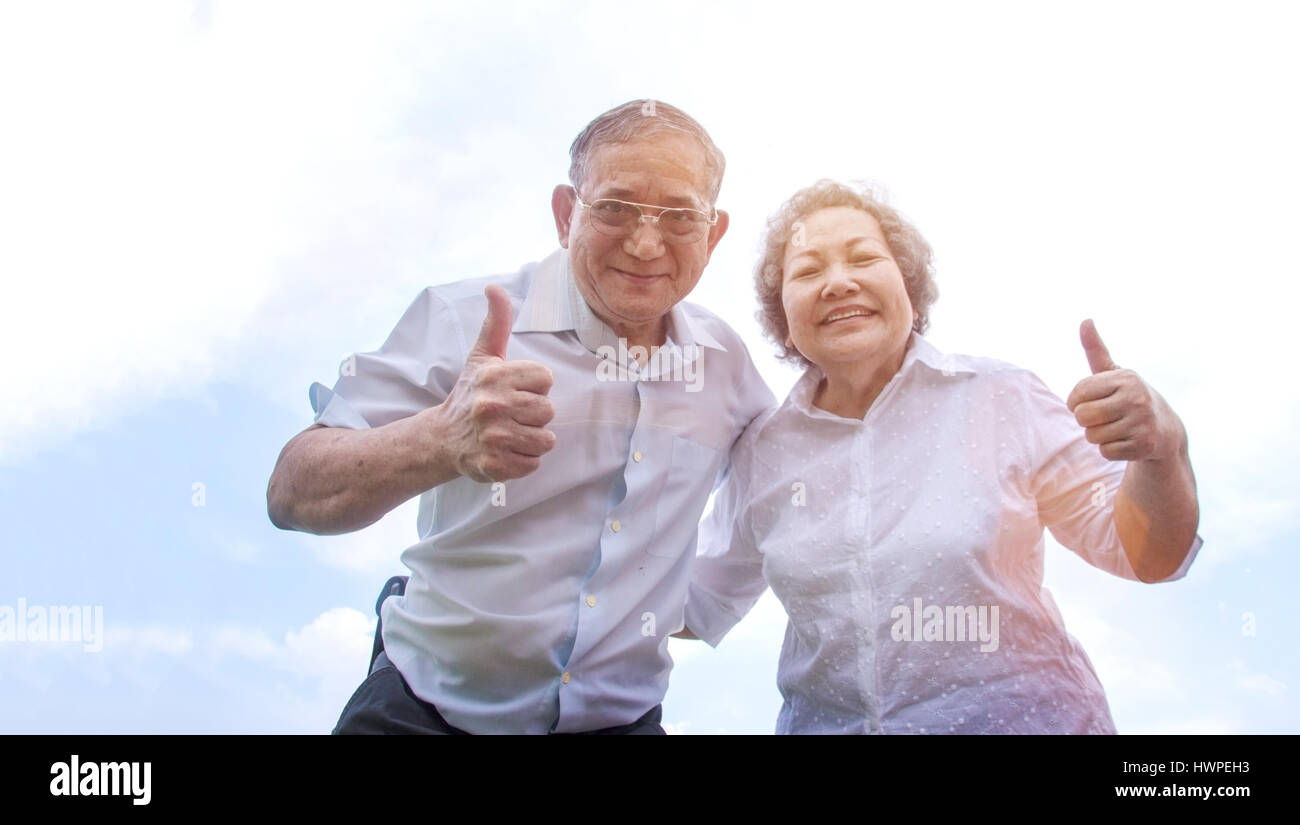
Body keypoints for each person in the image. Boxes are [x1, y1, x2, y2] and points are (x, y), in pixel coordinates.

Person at [266, 100, 775, 734]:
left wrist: (693, 604)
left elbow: (784, 487)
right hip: (422, 712)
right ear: (567, 214)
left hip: (620, 722)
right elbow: (293, 492)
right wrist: (439, 440)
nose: (647, 244)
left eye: (678, 216)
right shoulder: (461, 318)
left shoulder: (726, 365)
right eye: (614, 208)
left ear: (714, 232)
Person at [684, 180, 1202, 734]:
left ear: (908, 284)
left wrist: (1162, 452)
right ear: (781, 314)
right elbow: (695, 604)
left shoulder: (1003, 396)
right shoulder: (764, 451)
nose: (838, 282)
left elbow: (1147, 554)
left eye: (863, 258)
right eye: (808, 271)